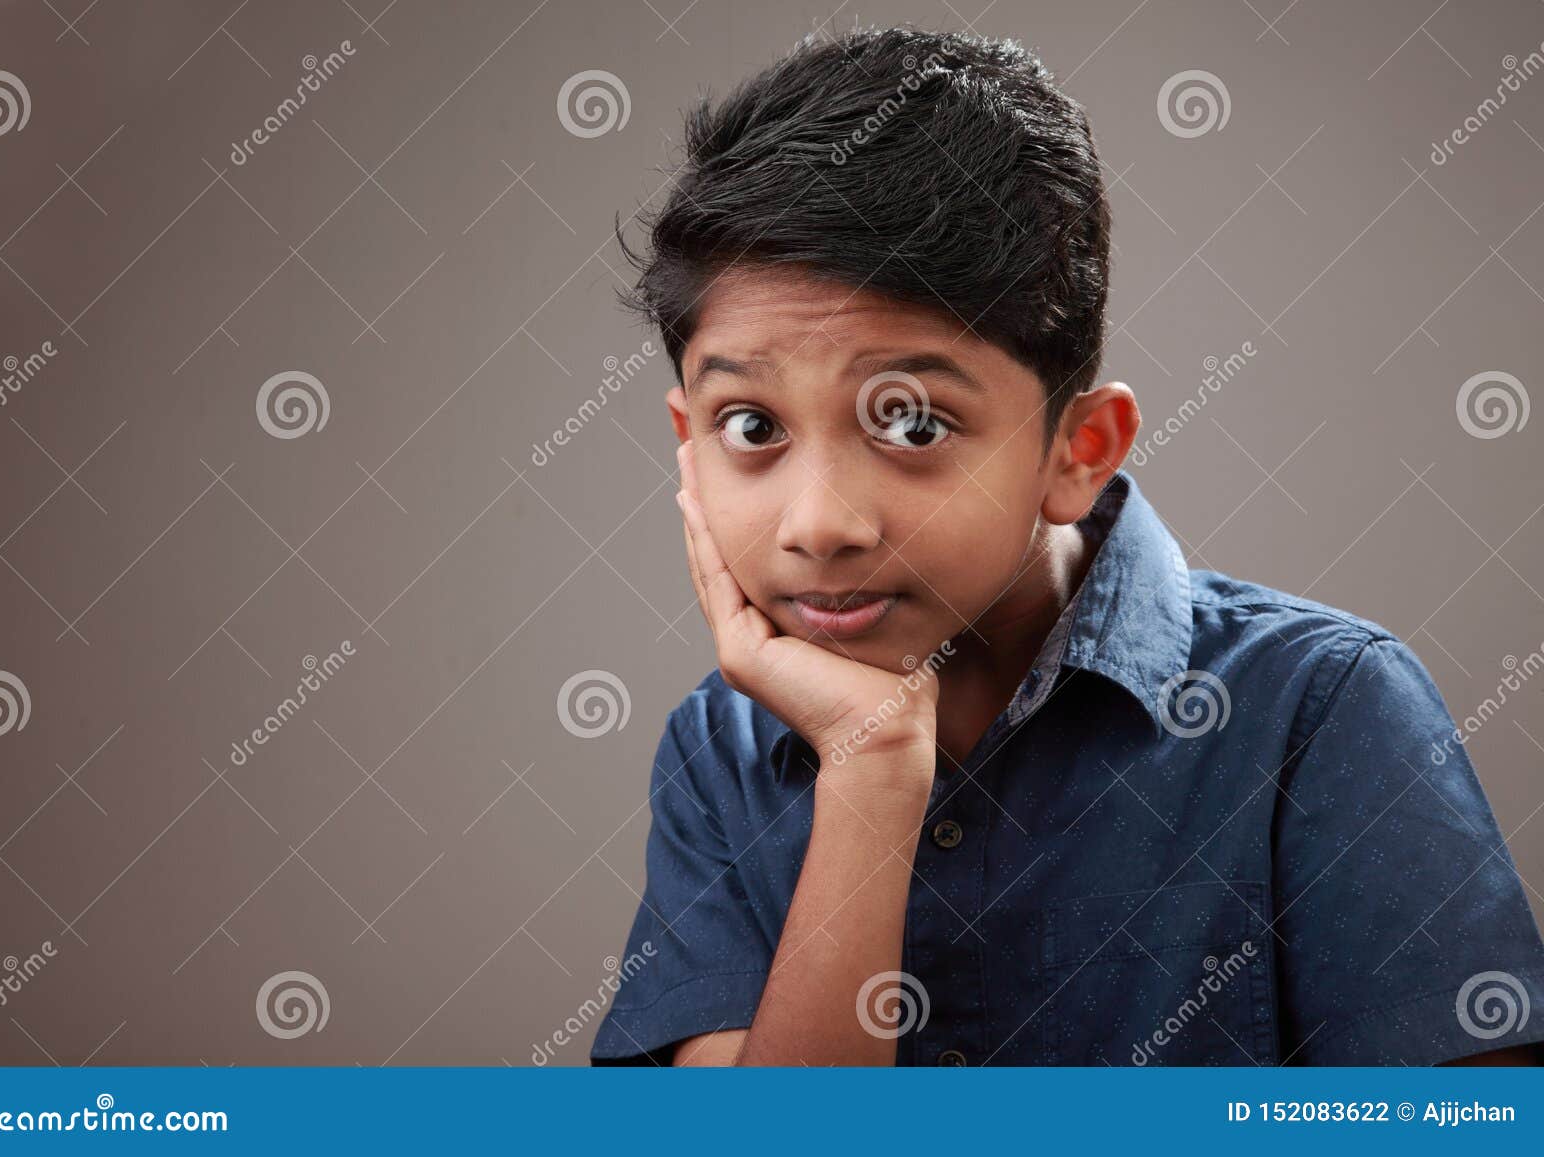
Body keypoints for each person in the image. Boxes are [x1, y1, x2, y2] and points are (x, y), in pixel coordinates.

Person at [589, 26, 1544, 1066]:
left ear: (1076, 450)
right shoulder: (721, 745)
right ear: (688, 442)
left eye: (912, 422)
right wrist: (870, 776)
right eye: (751, 426)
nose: (817, 524)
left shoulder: (1316, 708)